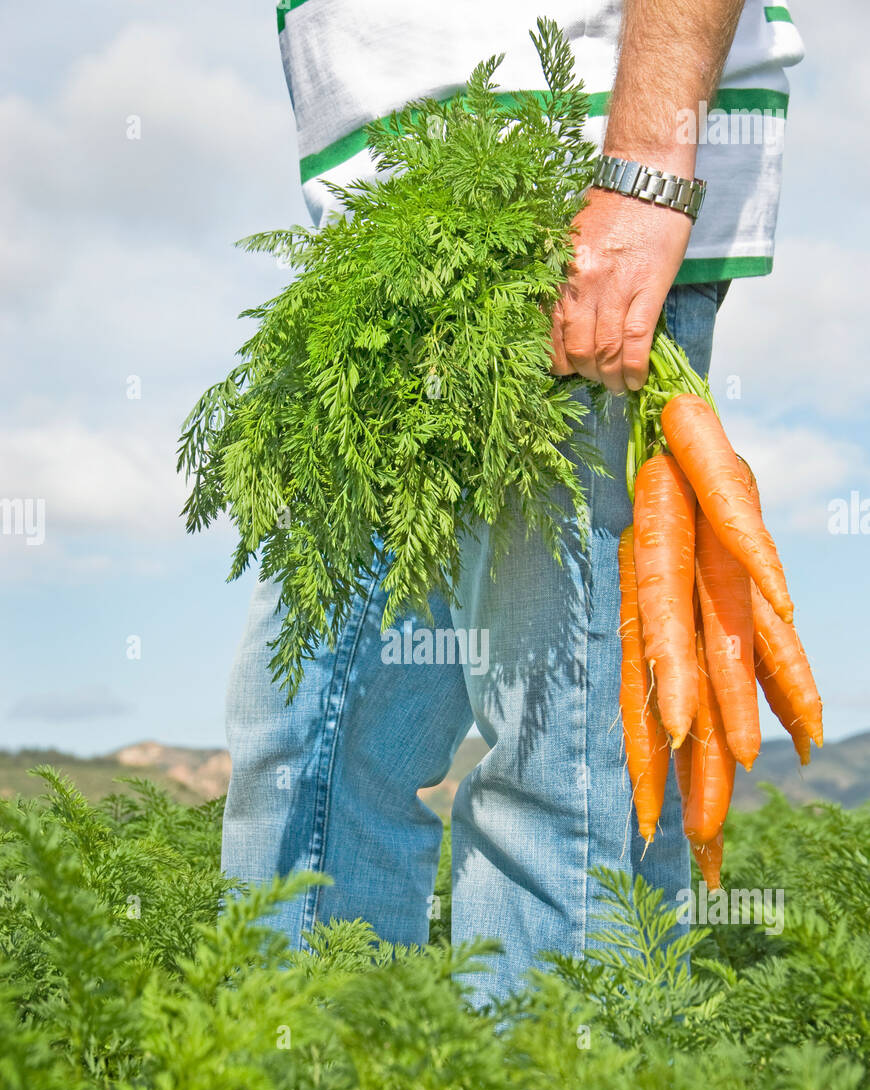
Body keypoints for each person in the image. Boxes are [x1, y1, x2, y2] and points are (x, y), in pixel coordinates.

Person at [222, 0, 803, 1007]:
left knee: (560, 770)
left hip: (570, 216)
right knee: (310, 757)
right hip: (379, 251)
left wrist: (644, 174)